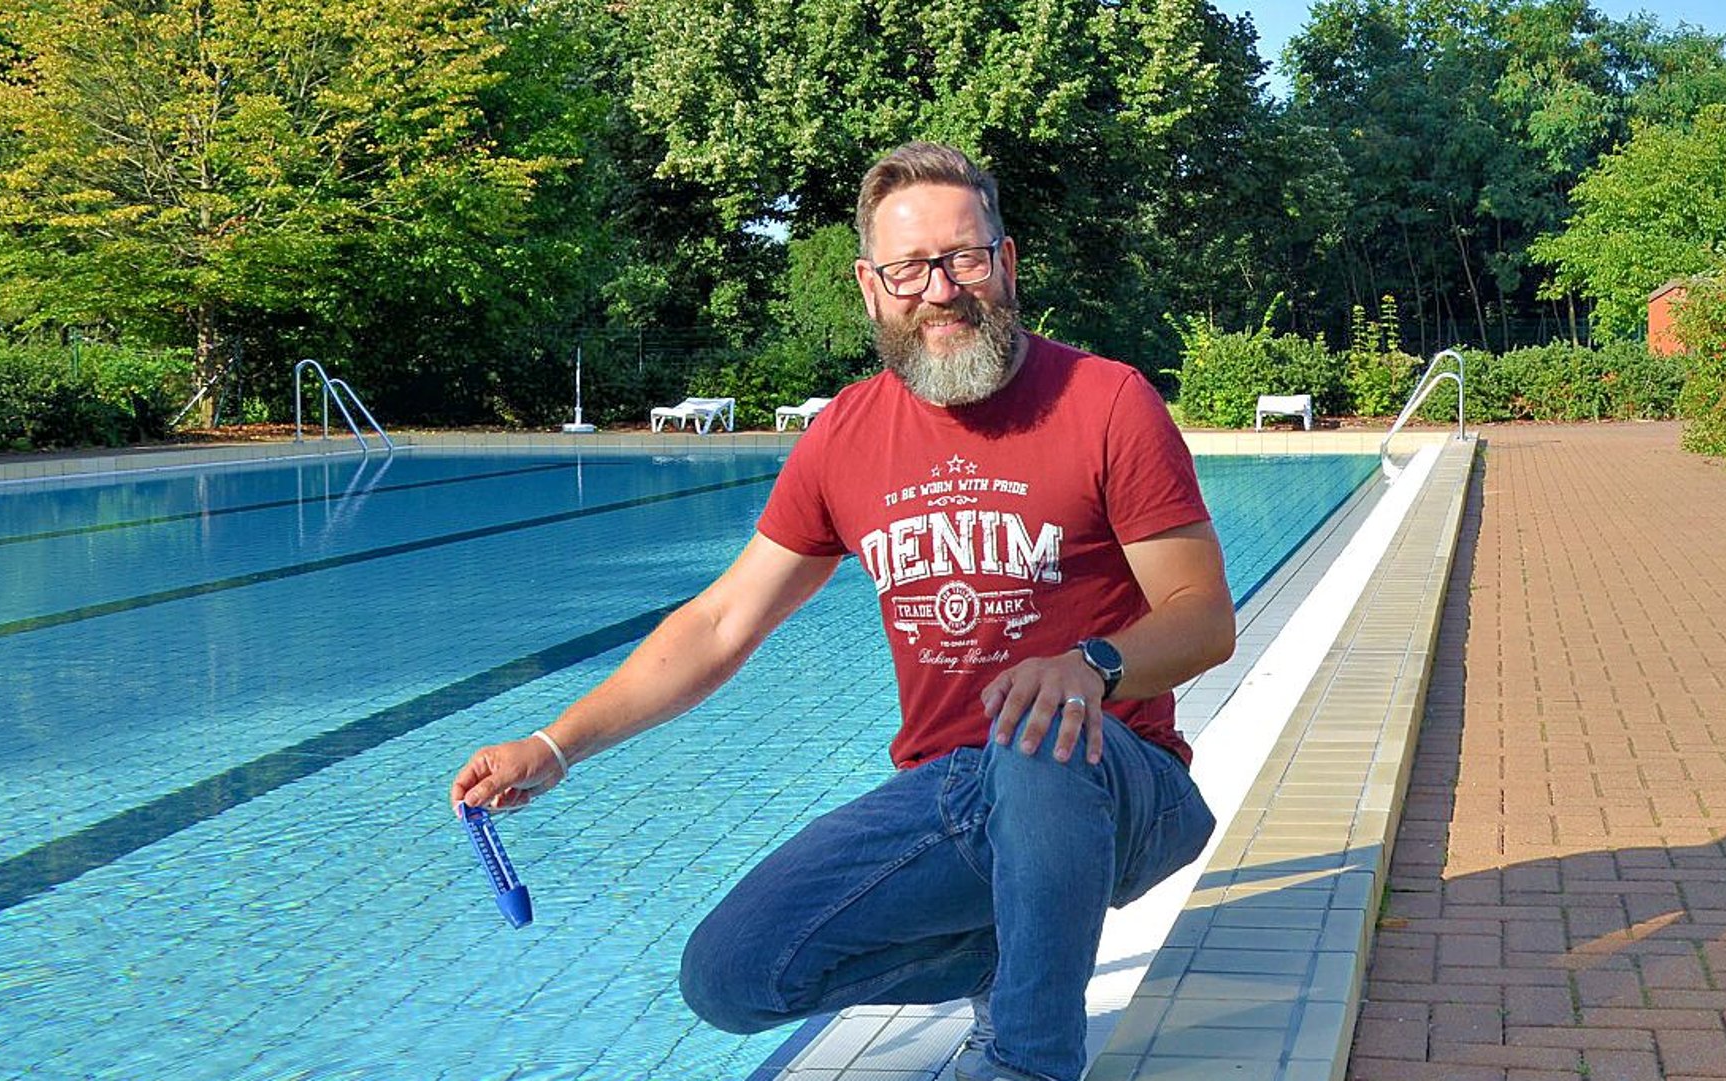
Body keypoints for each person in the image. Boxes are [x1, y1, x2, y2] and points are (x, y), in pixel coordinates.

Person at [450, 141, 1234, 1081]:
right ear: (870, 287)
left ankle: (1027, 1060)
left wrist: (1092, 665)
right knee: (732, 976)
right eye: (909, 268)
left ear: (1006, 262)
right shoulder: (846, 436)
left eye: (964, 258)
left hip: (1120, 782)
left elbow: (1203, 615)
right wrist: (556, 744)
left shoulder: (1105, 401)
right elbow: (721, 621)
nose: (941, 290)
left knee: (1034, 733)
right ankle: (1017, 945)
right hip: (955, 798)